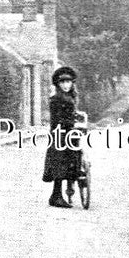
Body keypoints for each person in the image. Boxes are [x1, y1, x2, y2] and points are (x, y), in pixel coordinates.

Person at [42, 66, 83, 209]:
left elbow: (71, 115)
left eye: (68, 82)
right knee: (60, 164)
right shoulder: (56, 99)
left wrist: (76, 118)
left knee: (69, 162)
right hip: (60, 134)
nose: (66, 85)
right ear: (58, 84)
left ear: (72, 83)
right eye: (63, 83)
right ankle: (57, 196)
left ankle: (56, 195)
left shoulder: (70, 97)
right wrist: (72, 124)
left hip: (69, 134)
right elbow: (58, 119)